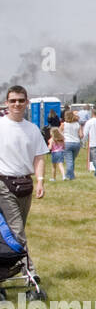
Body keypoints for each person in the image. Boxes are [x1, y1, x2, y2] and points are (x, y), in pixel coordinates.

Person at [0, 86, 48, 279]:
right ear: (6, 104)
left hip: (25, 185)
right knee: (17, 231)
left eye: (21, 100)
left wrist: (40, 181)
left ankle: (5, 271)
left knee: (12, 233)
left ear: (27, 102)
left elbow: (39, 158)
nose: (17, 104)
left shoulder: (32, 129)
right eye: (13, 101)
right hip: (4, 184)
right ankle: (29, 273)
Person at [60, 112, 82, 181]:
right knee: (72, 160)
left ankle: (70, 176)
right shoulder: (77, 124)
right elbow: (81, 135)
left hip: (67, 143)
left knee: (69, 161)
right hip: (76, 143)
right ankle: (70, 174)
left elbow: (59, 133)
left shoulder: (63, 124)